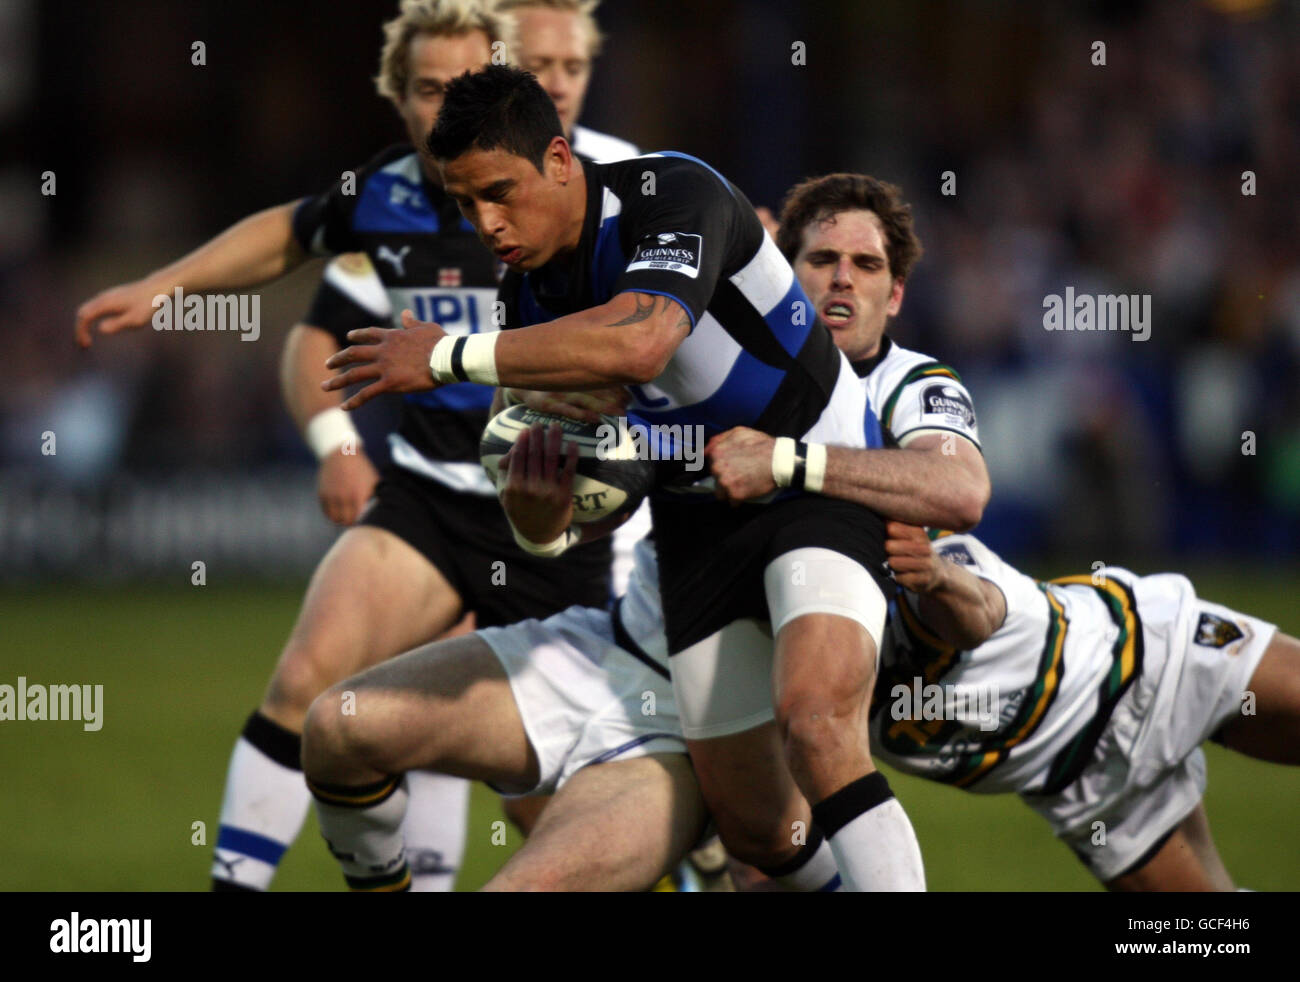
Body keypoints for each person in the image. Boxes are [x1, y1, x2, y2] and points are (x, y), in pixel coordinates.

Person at [72, 0, 617, 892]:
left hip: (560, 519)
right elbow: (290, 242)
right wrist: (165, 284)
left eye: (465, 86)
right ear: (395, 97)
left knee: (551, 799)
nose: (444, 109)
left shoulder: (576, 195)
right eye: (428, 89)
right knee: (313, 687)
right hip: (431, 500)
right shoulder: (390, 191)